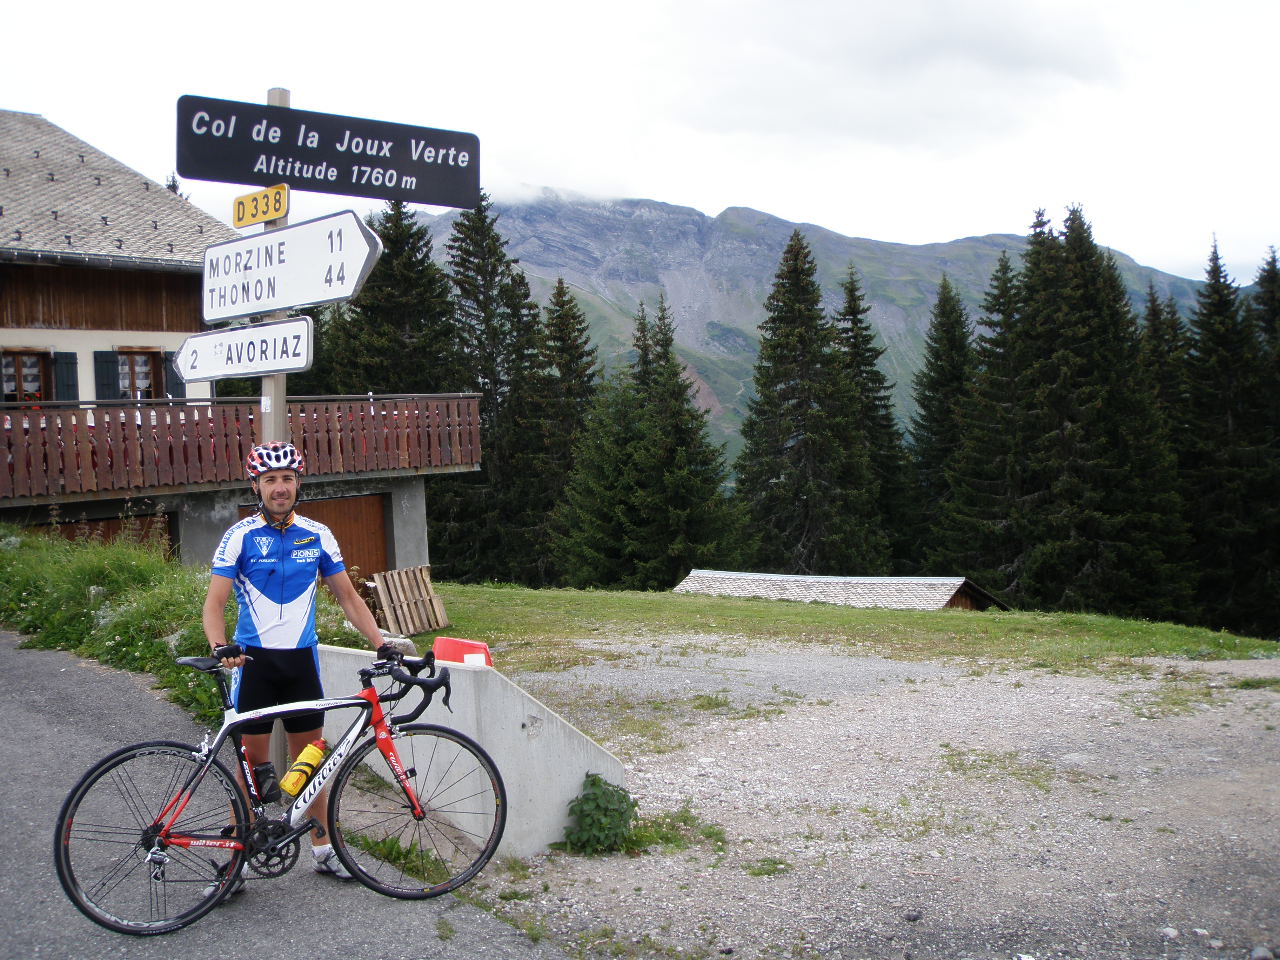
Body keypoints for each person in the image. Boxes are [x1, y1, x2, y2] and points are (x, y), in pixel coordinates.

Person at [202, 440, 395, 889]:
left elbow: (347, 596)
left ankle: (325, 850)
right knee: (251, 764)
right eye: (270, 480)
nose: (280, 487)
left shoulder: (318, 534)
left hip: (301, 663)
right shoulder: (240, 536)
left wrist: (381, 643)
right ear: (257, 486)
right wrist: (218, 646)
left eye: (287, 478)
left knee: (312, 760)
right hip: (254, 663)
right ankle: (236, 859)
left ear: (298, 482)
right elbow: (214, 603)